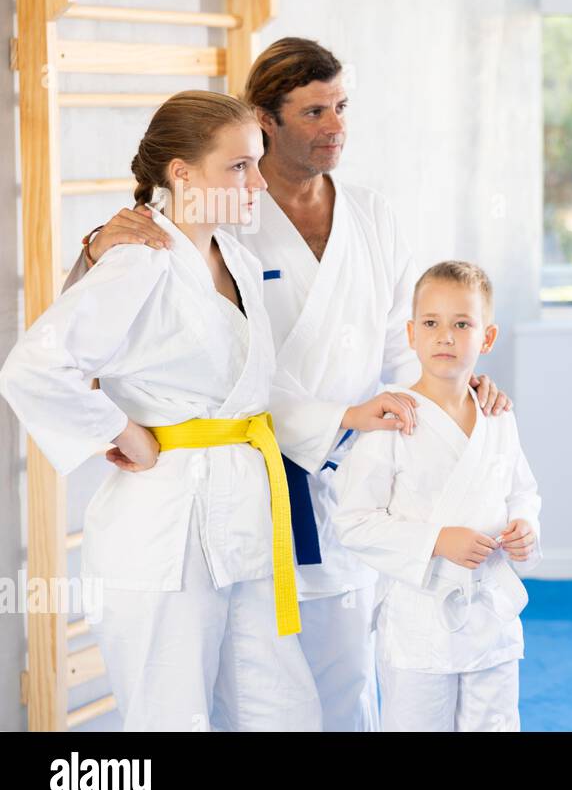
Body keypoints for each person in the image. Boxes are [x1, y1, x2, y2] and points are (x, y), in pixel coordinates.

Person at [64, 38, 512, 731]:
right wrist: (94, 248)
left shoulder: (372, 214)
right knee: (231, 694)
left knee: (343, 681)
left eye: (341, 107)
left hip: (356, 473)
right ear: (266, 120)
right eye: (313, 111)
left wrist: (456, 390)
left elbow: (406, 344)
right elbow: (187, 353)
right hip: (248, 473)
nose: (335, 126)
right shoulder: (225, 218)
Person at [0, 91, 321, 731]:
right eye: (239, 166)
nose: (259, 181)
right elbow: (33, 368)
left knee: (284, 714)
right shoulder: (140, 259)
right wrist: (118, 430)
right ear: (181, 173)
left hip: (246, 515)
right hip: (164, 529)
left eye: (257, 163)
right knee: (172, 721)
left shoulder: (239, 257)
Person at [332, 261, 541, 731]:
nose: (445, 336)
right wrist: (437, 540)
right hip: (420, 620)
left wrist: (526, 525)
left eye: (462, 324)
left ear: (487, 338)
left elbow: (522, 490)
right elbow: (354, 520)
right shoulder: (393, 419)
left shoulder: (497, 415)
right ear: (411, 333)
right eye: (431, 323)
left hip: (491, 618)